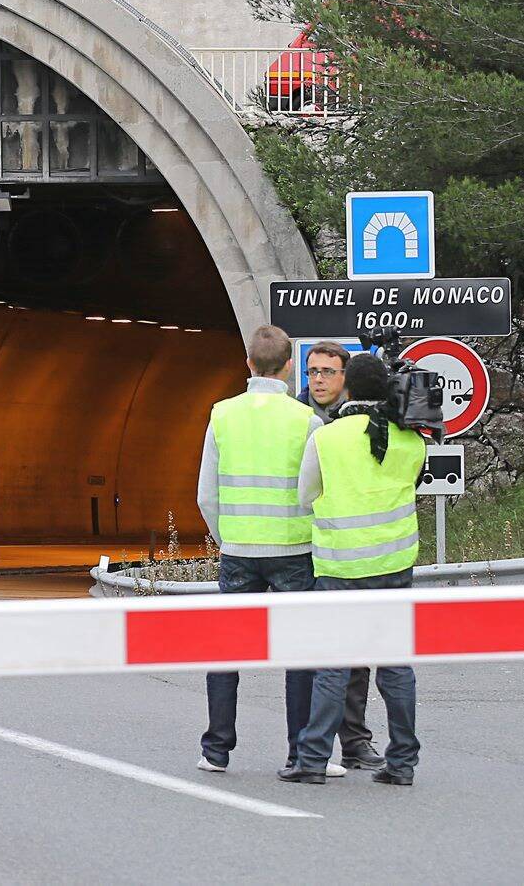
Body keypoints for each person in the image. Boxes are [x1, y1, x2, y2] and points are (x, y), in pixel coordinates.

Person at [288, 351, 425, 787]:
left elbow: (305, 496)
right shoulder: (411, 439)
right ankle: (402, 763)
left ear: (347, 387)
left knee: (333, 665)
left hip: (340, 566)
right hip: (394, 564)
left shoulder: (326, 438)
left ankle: (313, 760)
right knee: (396, 665)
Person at [194, 323, 320, 778]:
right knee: (299, 654)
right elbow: (314, 491)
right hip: (294, 549)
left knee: (227, 650)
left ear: (248, 363)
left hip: (239, 550)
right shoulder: (307, 421)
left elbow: (206, 495)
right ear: (288, 367)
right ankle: (300, 750)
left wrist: (225, 537)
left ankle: (216, 749)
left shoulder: (222, 415)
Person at [301, 341, 384, 772]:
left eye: (327, 372)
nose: (318, 379)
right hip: (303, 549)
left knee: (354, 654)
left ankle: (354, 741)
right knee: (314, 654)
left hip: (346, 553)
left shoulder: (367, 424)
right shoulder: (300, 418)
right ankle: (306, 746)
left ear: (345, 378)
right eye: (312, 371)